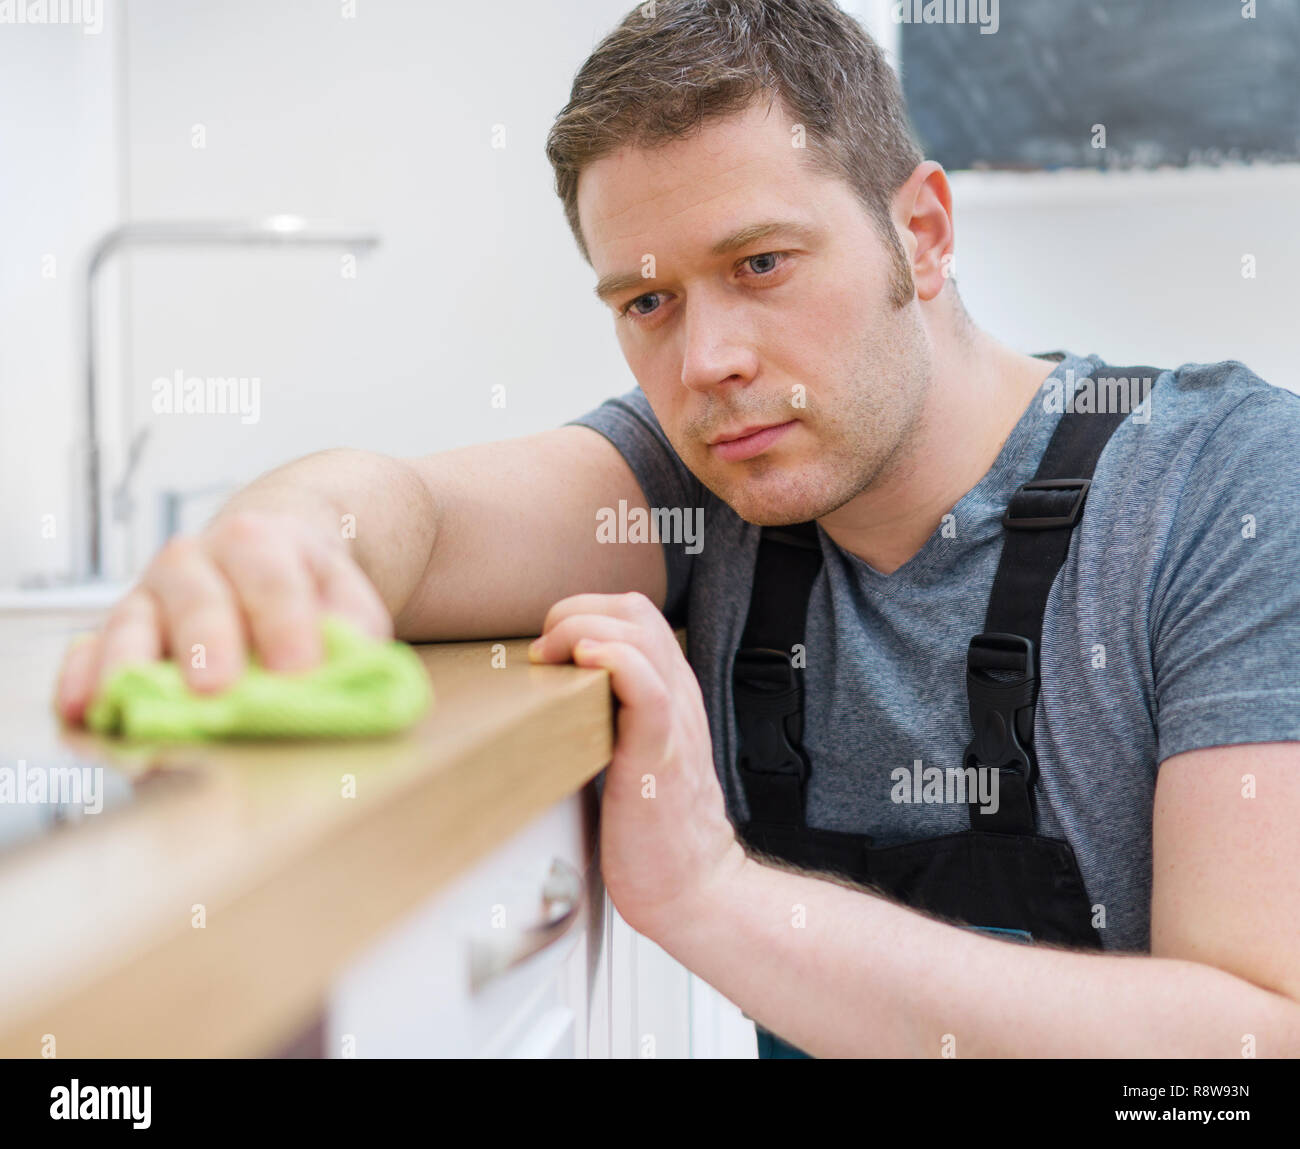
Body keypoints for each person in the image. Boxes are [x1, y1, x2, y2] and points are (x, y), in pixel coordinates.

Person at [55, 0, 1300, 1058]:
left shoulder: (1225, 486)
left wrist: (714, 898)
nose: (706, 363)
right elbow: (417, 520)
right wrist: (278, 540)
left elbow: (1252, 1040)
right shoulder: (690, 489)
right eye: (646, 300)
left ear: (918, 235)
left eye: (760, 264)